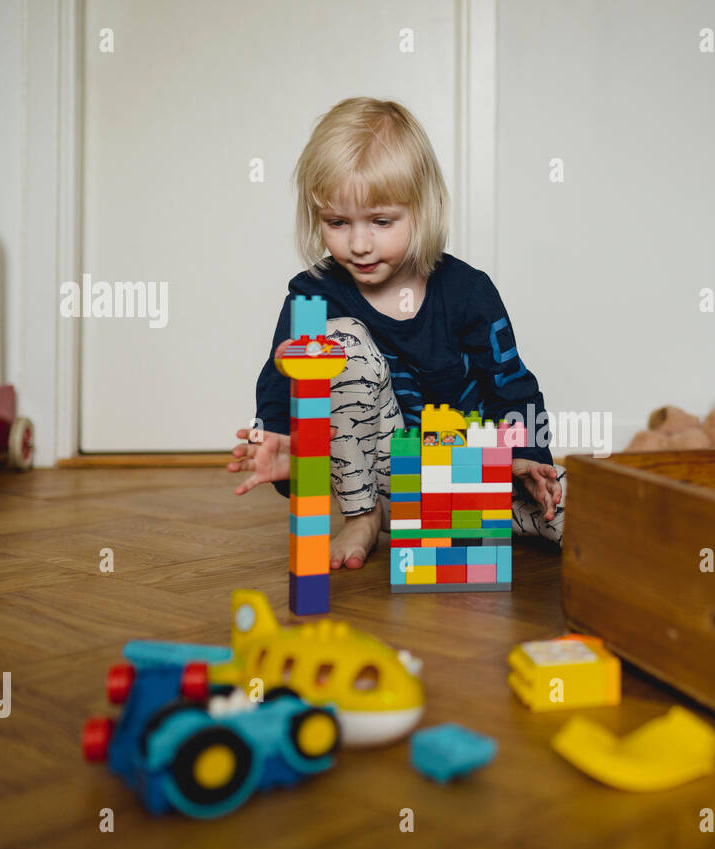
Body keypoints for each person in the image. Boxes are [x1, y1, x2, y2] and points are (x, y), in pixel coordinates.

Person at [228, 97, 564, 569]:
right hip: (378, 472)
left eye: (381, 222)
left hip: (469, 472)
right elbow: (279, 382)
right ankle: (364, 516)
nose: (359, 244)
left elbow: (512, 385)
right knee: (336, 341)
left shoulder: (468, 292)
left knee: (578, 506)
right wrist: (285, 441)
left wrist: (527, 459)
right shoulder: (313, 298)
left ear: (422, 210)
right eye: (337, 223)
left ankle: (438, 519)